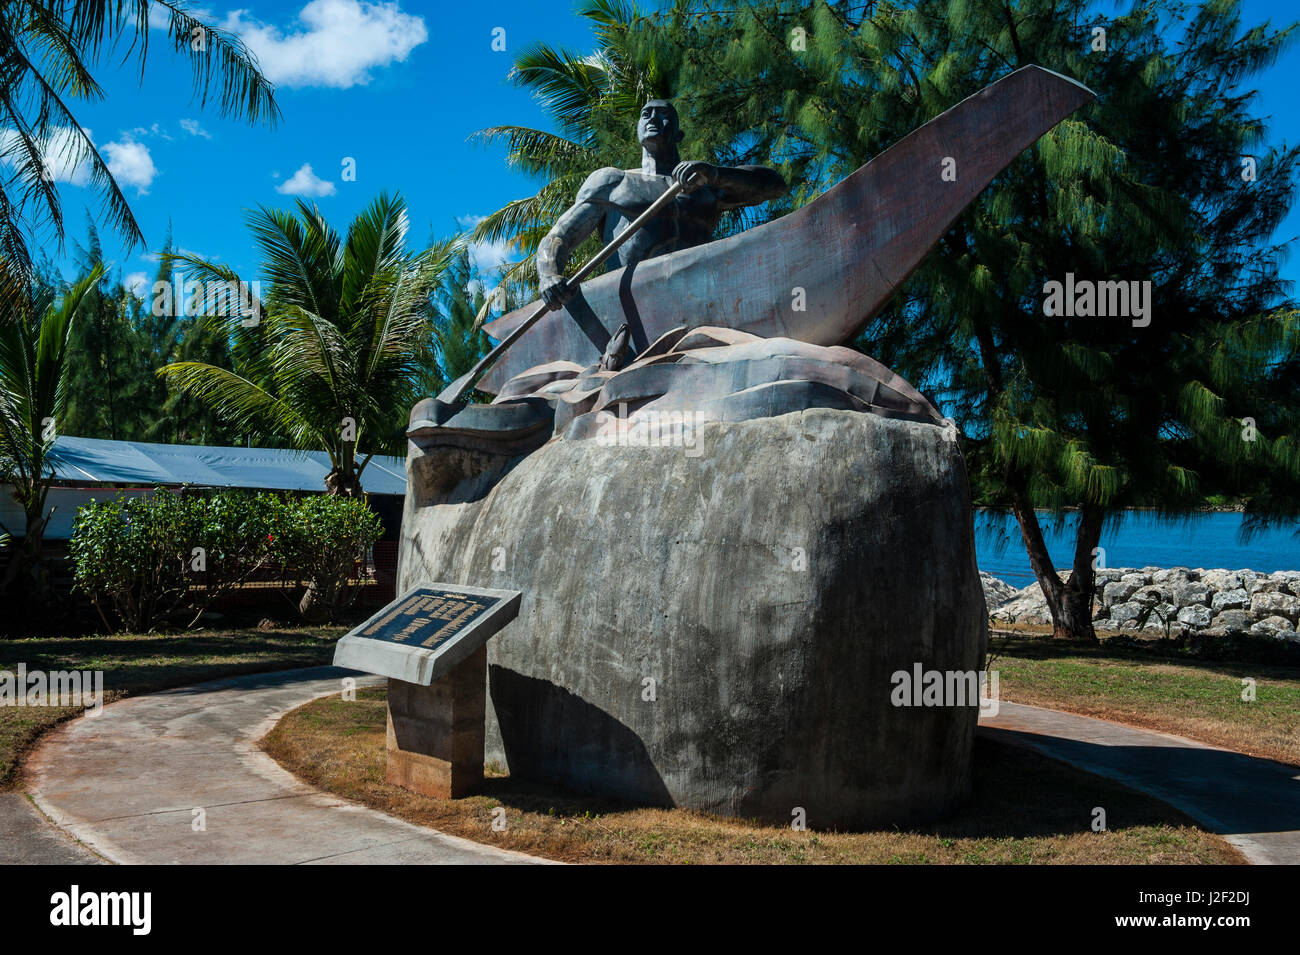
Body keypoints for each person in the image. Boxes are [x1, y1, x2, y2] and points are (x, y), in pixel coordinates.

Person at [537, 99, 787, 313]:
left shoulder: (704, 183)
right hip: (633, 305)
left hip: (703, 297)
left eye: (664, 115)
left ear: (678, 134)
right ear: (638, 130)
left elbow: (775, 185)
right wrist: (549, 276)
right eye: (646, 114)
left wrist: (715, 174)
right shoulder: (614, 181)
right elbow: (560, 236)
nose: (653, 118)